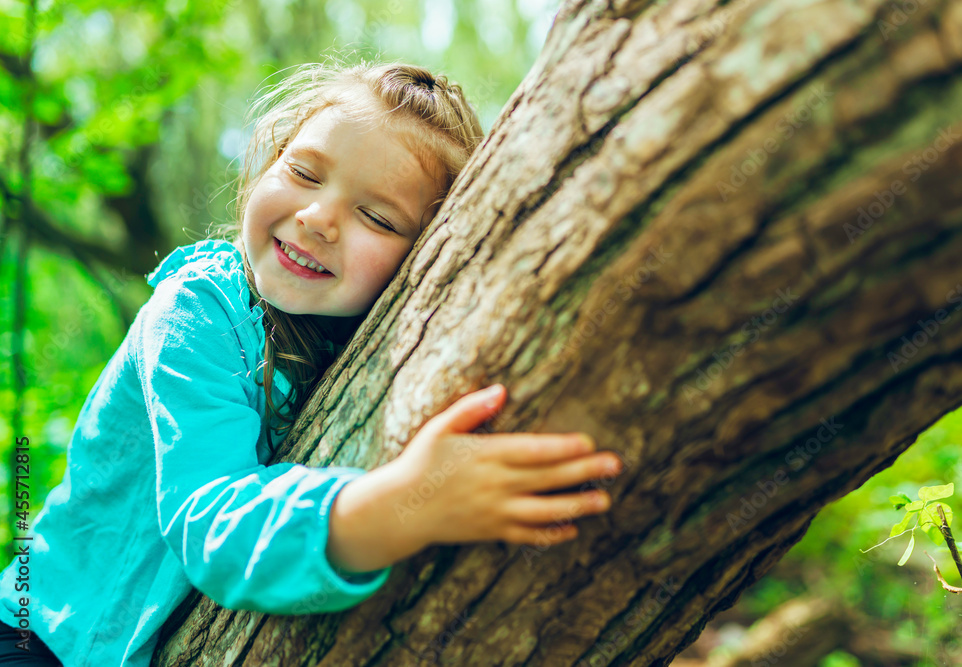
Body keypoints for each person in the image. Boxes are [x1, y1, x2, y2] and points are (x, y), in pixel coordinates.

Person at [0, 59, 623, 666]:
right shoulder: (196, 314)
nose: (318, 218)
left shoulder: (361, 339)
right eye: (303, 171)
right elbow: (209, 519)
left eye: (377, 217)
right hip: (44, 636)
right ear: (269, 159)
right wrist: (404, 503)